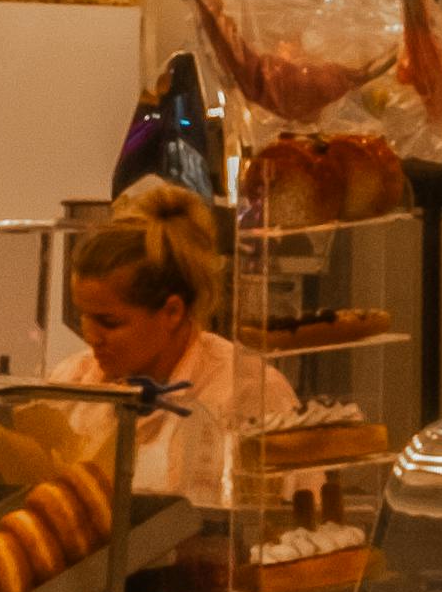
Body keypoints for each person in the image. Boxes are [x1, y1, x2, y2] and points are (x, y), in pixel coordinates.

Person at [57, 181, 294, 485]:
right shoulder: (74, 383)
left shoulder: (247, 393)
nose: (92, 337)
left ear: (172, 312)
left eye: (109, 322)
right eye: (84, 317)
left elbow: (294, 505)